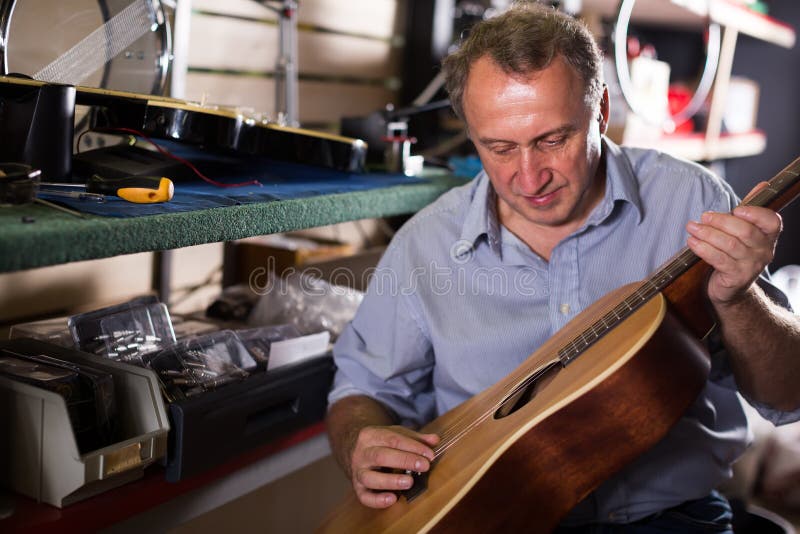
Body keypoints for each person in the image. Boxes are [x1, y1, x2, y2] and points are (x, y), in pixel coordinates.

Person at [325, 2, 800, 531]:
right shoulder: (425, 244)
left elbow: (788, 395)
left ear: (599, 114)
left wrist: (739, 300)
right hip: (496, 518)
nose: (529, 179)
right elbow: (361, 388)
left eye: (553, 140)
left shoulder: (690, 199)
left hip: (670, 516)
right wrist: (358, 442)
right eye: (499, 147)